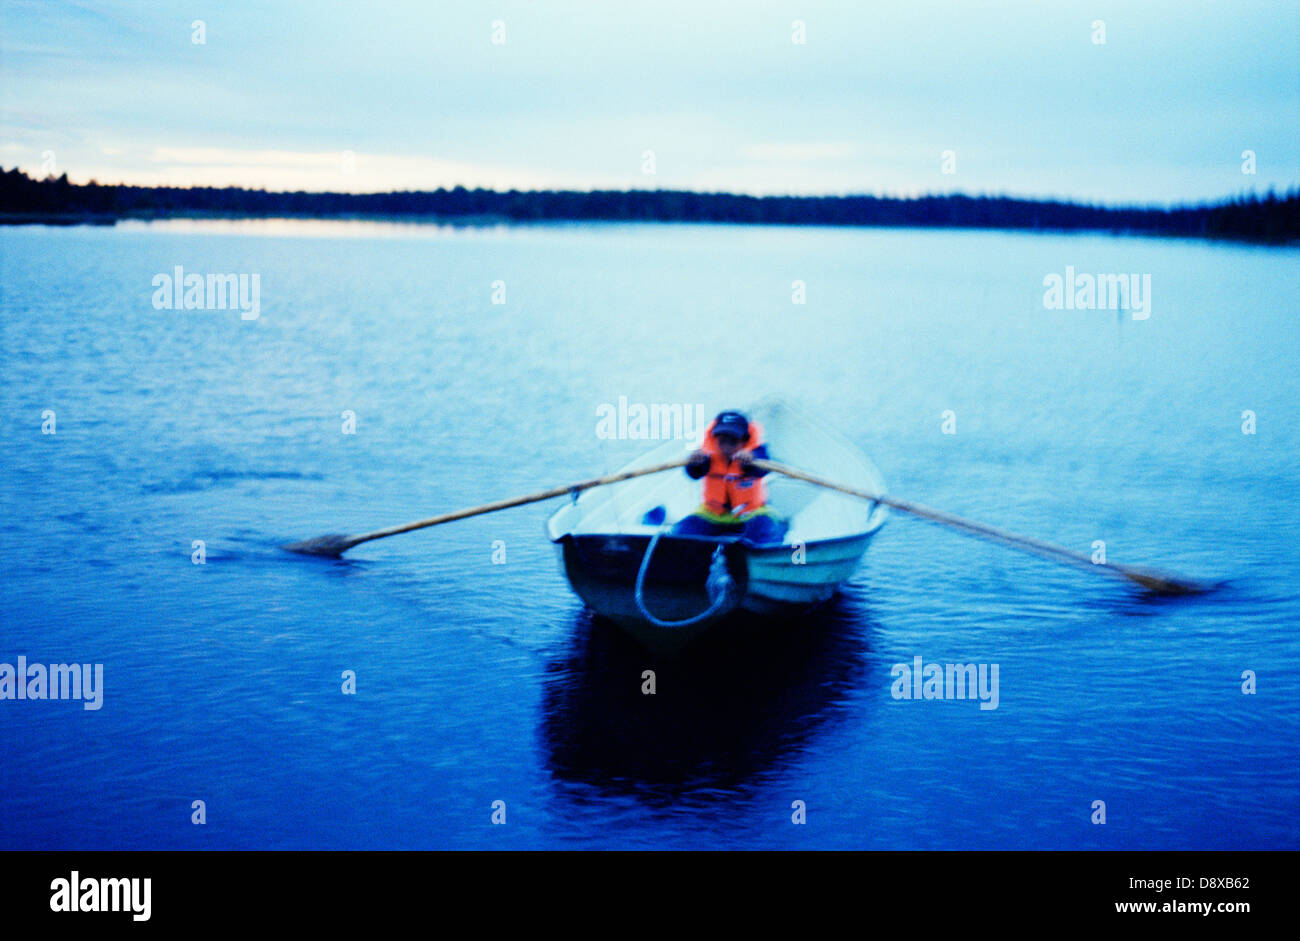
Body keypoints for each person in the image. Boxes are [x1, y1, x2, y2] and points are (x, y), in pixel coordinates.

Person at [672, 410, 788, 544]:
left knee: (767, 531)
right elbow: (694, 474)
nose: (726, 447)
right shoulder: (706, 456)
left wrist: (751, 460)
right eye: (722, 441)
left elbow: (762, 469)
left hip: (750, 514)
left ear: (745, 440)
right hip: (712, 514)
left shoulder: (757, 454)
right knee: (681, 532)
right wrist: (694, 463)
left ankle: (762, 556)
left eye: (733, 442)